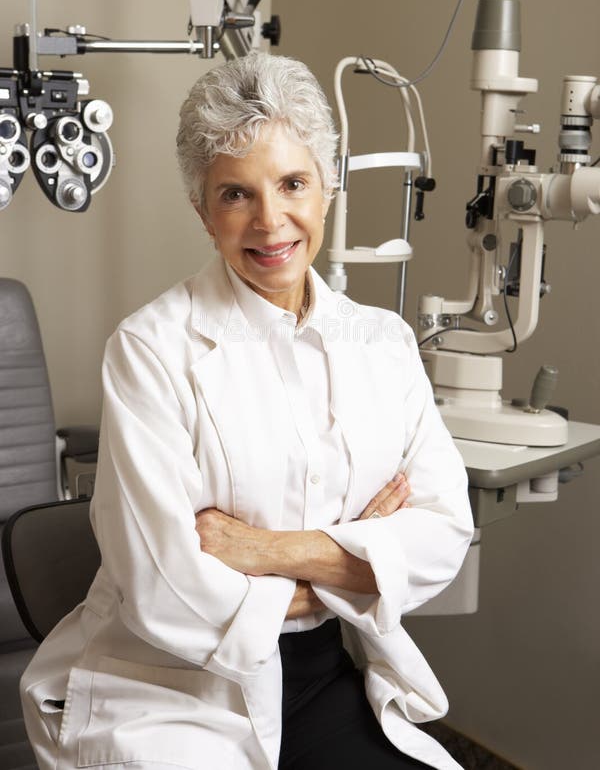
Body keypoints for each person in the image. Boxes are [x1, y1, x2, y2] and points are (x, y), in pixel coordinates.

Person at [21, 52, 474, 770]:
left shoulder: (383, 343)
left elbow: (446, 536)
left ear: (327, 189)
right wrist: (355, 556)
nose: (271, 222)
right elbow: (161, 586)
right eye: (236, 194)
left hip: (328, 672)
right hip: (172, 686)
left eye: (293, 183)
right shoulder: (150, 349)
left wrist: (263, 551)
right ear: (203, 211)